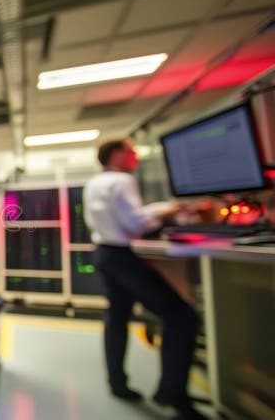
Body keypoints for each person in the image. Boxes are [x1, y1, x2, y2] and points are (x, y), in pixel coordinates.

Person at [83, 138, 206, 420]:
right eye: (132, 152)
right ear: (117, 154)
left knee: (117, 318)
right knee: (182, 317)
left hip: (104, 253)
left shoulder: (95, 183)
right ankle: (173, 394)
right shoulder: (122, 181)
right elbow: (135, 223)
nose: (136, 157)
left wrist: (156, 210)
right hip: (122, 255)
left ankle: (117, 382)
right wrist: (167, 213)